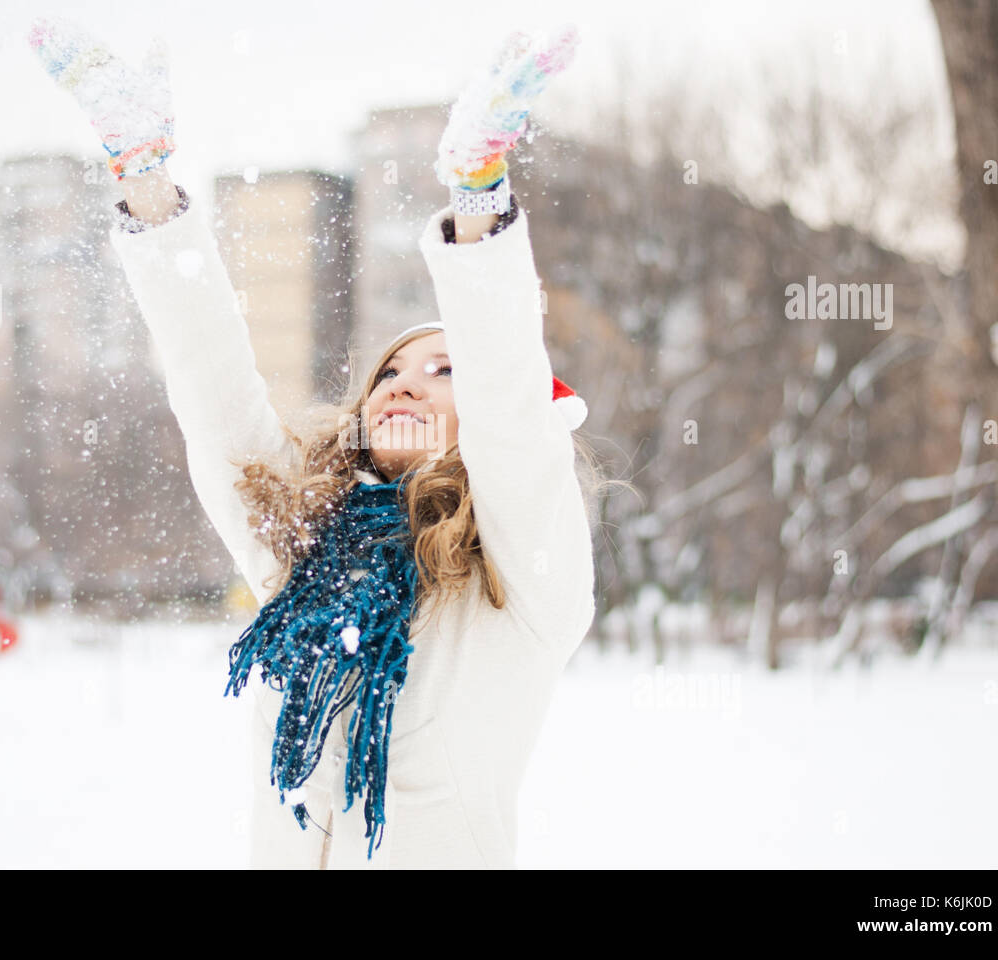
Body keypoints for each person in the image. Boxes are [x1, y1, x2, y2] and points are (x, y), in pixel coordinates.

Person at [30, 18, 602, 869]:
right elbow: (215, 394)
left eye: (446, 370)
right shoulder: (302, 558)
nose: (405, 381)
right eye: (391, 372)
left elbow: (515, 423)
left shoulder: (520, 593)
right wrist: (144, 178)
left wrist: (478, 190)